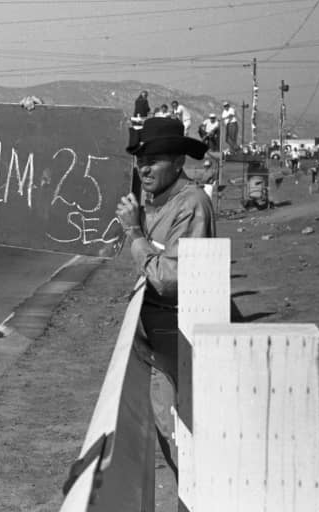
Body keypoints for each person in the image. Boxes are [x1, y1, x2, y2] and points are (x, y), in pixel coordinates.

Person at [114, 116, 213, 495]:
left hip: (180, 339)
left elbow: (171, 280)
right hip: (158, 341)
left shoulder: (191, 204)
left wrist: (134, 232)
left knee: (184, 442)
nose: (144, 168)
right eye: (141, 161)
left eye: (153, 161)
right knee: (172, 441)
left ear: (178, 161)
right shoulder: (156, 201)